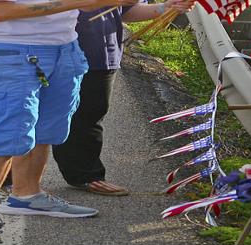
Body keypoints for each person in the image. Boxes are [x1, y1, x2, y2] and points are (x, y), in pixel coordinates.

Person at [0, 0, 141, 241]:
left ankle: (27, 195)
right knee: (9, 130)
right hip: (9, 49)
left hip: (64, 48)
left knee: (48, 128)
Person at [60, 0, 196, 196]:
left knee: (89, 116)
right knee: (37, 114)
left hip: (102, 53)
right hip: (60, 50)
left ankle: (85, 175)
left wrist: (165, 7)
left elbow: (126, 10)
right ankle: (14, 175)